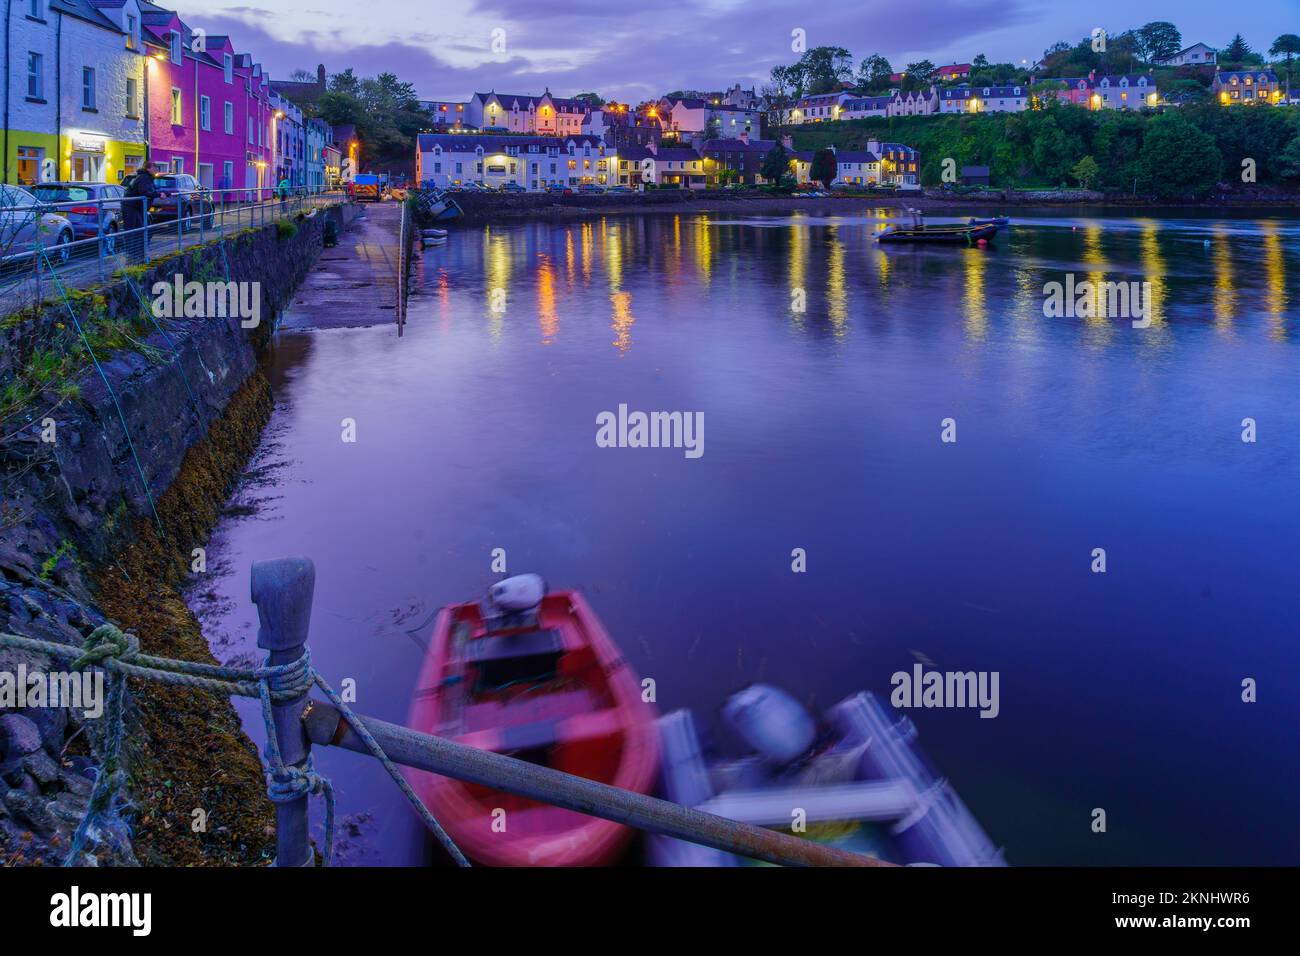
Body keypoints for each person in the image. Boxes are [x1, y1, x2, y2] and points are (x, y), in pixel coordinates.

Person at [122, 161, 162, 259]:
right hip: (131, 207)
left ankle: (138, 254)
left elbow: (150, 190)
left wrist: (162, 193)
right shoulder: (144, 178)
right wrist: (159, 195)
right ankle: (133, 255)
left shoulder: (146, 177)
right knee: (133, 230)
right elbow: (144, 191)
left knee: (141, 230)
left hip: (136, 207)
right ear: (148, 168)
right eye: (154, 167)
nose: (156, 169)